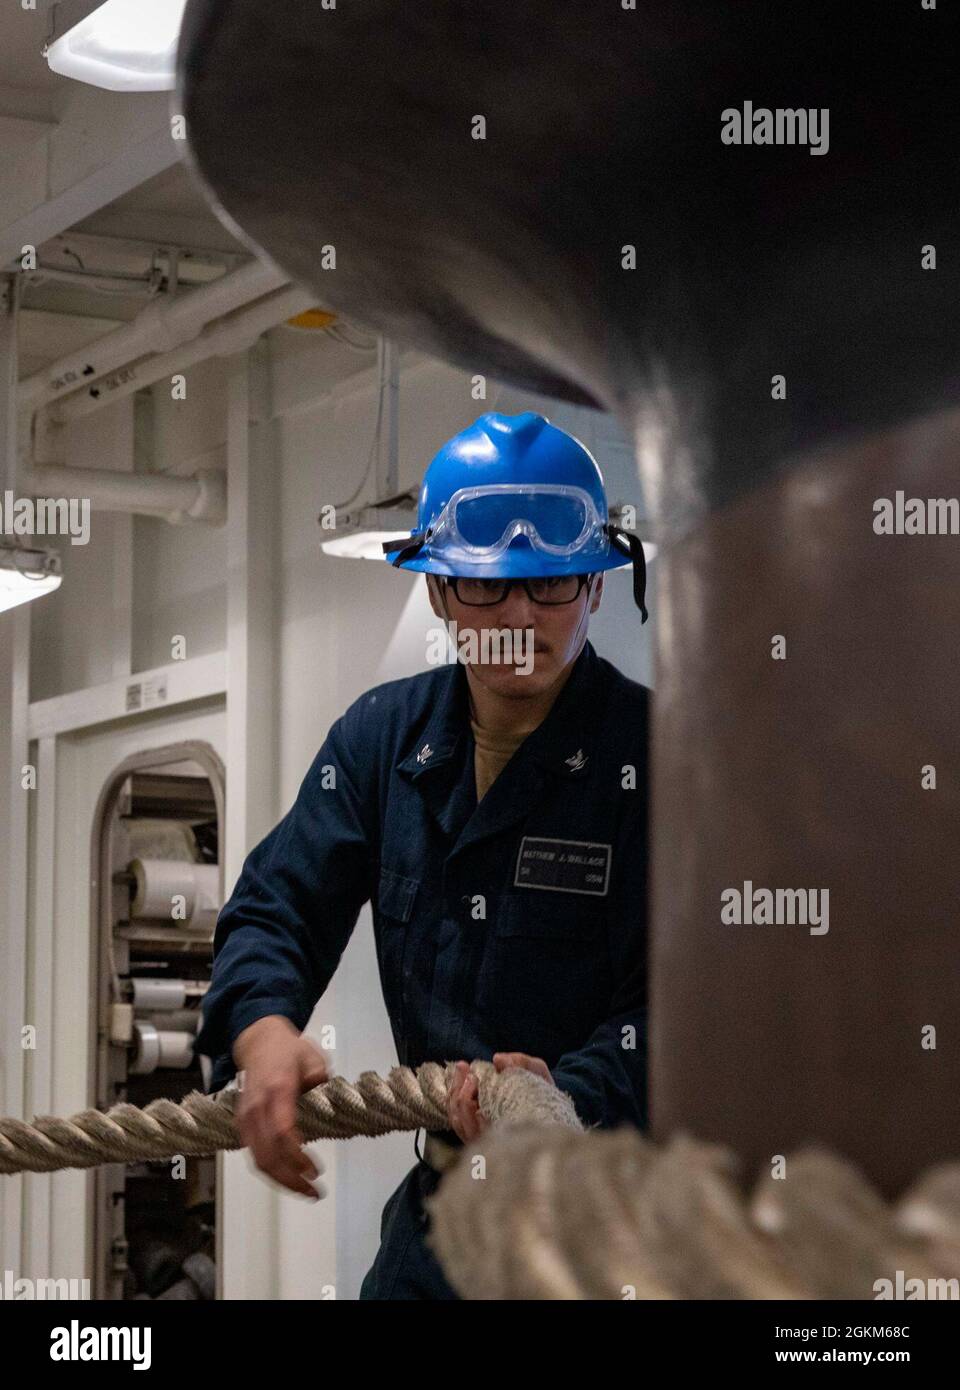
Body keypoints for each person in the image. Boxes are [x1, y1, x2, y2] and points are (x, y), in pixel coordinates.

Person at [194, 410, 651, 1299]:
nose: (519, 615)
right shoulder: (379, 741)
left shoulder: (660, 761)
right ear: (438, 590)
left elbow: (691, 1013)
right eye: (486, 587)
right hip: (445, 1220)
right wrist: (265, 1033)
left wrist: (566, 1094)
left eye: (551, 585)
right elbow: (276, 908)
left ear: (597, 587)